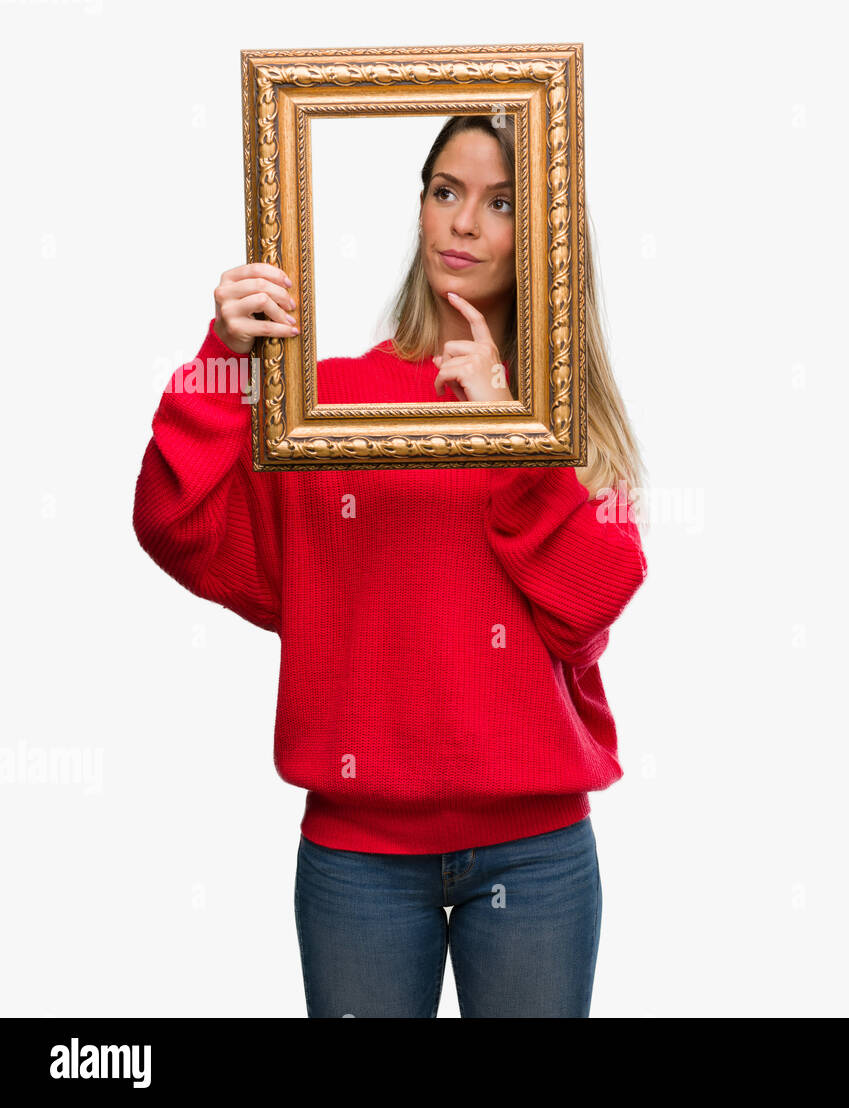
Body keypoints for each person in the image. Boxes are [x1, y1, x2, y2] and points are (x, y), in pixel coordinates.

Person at [132, 114, 648, 1017]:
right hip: (359, 859)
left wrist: (512, 436)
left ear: (547, 235)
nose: (463, 224)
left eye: (500, 203)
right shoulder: (324, 404)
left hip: (537, 857)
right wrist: (226, 361)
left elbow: (590, 608)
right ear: (419, 208)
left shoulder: (576, 423)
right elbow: (176, 525)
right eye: (445, 191)